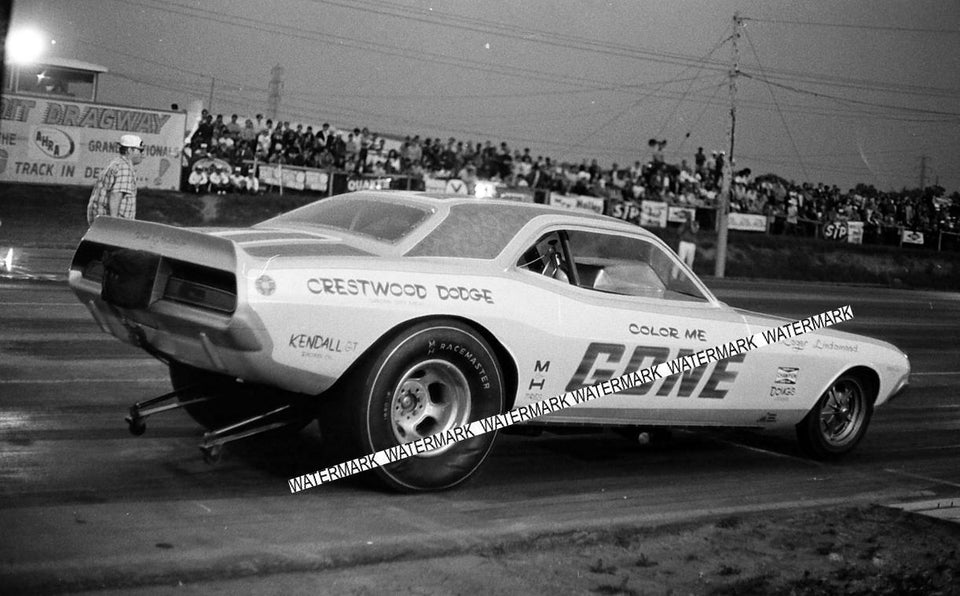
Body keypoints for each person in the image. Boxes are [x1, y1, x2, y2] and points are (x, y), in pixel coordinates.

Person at [86, 134, 144, 225]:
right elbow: (116, 195)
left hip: (100, 217)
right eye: (140, 150)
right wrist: (114, 223)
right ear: (129, 150)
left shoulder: (117, 163)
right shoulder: (124, 168)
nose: (142, 154)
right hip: (108, 220)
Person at [676, 209, 699, 275]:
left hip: (691, 244)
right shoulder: (684, 224)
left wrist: (691, 222)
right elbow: (679, 232)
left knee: (689, 262)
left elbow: (694, 231)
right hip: (683, 243)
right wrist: (686, 224)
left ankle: (686, 278)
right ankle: (674, 276)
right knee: (680, 260)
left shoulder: (695, 223)